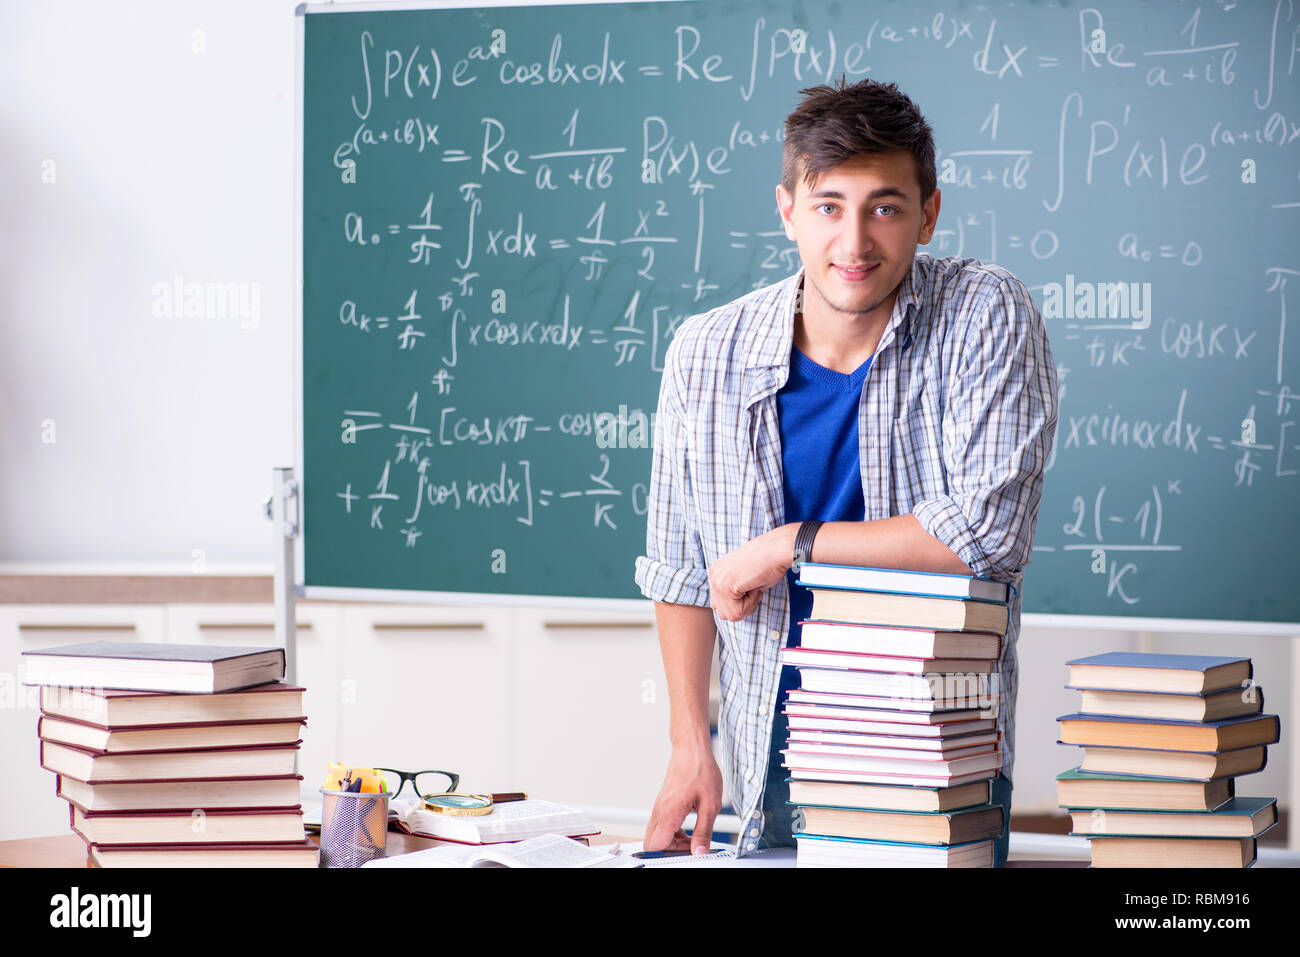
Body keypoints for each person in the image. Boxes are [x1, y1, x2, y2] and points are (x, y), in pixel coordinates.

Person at [633, 77, 1058, 865]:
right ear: (787, 208)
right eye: (829, 205)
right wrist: (690, 741)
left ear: (929, 214)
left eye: (885, 207)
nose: (855, 242)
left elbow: (986, 535)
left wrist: (787, 543)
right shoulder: (706, 350)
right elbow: (681, 568)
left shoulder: (985, 312)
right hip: (768, 745)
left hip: (930, 752)